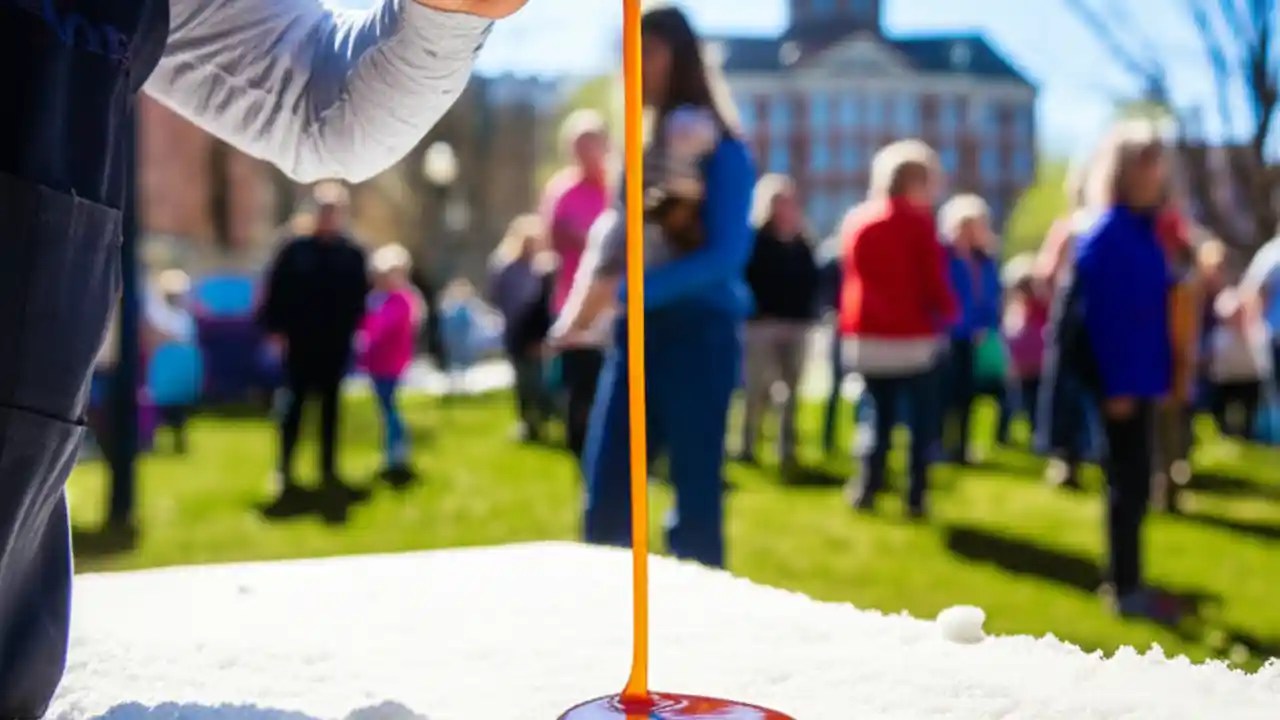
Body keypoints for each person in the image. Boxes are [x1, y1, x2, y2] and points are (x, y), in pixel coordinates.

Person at [1, 0, 523, 709]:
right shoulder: (292, 252)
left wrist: (447, 12)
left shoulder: (342, 258)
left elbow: (321, 100)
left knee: (323, 418)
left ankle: (316, 473)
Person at [551, 5, 755, 568]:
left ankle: (699, 622)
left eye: (650, 52)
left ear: (681, 59)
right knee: (608, 496)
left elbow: (727, 255)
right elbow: (614, 236)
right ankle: (608, 621)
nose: (636, 65)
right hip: (637, 338)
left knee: (694, 502)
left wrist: (626, 295)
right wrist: (582, 309)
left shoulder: (721, 149)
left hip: (700, 334)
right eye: (629, 52)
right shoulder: (639, 155)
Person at [1062, 121, 1177, 620]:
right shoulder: (1107, 235)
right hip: (1121, 385)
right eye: (1147, 164)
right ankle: (1125, 588)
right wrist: (1114, 385)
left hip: (1144, 377)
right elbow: (1100, 322)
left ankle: (1133, 581)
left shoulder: (1145, 230)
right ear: (1125, 172)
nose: (1158, 174)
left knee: (1138, 483)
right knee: (1125, 486)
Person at [839, 140, 958, 518]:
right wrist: (950, 313)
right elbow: (932, 281)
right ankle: (915, 495)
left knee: (877, 415)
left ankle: (868, 486)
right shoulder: (918, 225)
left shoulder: (859, 221)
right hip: (911, 338)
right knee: (920, 422)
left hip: (868, 336)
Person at [259, 183, 370, 508]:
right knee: (293, 406)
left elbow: (360, 299)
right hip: (300, 342)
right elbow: (274, 292)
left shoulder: (351, 253)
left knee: (331, 409)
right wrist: (275, 331)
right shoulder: (294, 249)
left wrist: (355, 330)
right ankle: (286, 470)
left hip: (334, 343)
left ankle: (328, 469)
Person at [542, 110, 612, 458]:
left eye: (591, 145)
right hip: (574, 300)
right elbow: (554, 238)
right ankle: (583, 453)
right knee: (581, 389)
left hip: (615, 305)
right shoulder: (562, 191)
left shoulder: (618, 187)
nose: (586, 154)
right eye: (578, 147)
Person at [738, 174, 818, 472]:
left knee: (791, 390)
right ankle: (746, 444)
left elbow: (812, 282)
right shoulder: (755, 240)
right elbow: (747, 280)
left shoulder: (802, 241)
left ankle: (785, 447)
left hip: (796, 325)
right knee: (756, 388)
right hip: (762, 326)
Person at [938, 194, 1002, 466]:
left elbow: (992, 298)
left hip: (976, 338)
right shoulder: (944, 258)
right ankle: (940, 445)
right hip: (949, 336)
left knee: (968, 394)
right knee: (945, 394)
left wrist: (986, 326)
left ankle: (962, 447)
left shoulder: (985, 262)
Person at [359, 244, 426, 482]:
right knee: (385, 408)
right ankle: (391, 452)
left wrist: (366, 335)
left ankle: (398, 452)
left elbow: (379, 329)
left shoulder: (401, 301)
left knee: (390, 408)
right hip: (377, 362)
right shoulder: (380, 299)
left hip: (391, 362)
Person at [488, 214, 557, 442]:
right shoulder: (506, 268)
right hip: (516, 330)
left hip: (537, 330)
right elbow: (499, 298)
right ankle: (529, 423)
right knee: (524, 379)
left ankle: (545, 418)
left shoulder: (543, 268)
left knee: (540, 379)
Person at [997, 254, 1050, 447]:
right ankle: (1007, 436)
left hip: (1038, 367)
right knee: (1016, 403)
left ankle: (1039, 437)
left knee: (1035, 405)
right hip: (1019, 367)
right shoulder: (1014, 309)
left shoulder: (1042, 308)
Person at [1208, 288, 1272, 439]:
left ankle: (1249, 434)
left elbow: (1263, 362)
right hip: (1226, 379)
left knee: (1251, 412)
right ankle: (1224, 432)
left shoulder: (1259, 331)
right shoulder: (1220, 335)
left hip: (1251, 378)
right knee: (1221, 409)